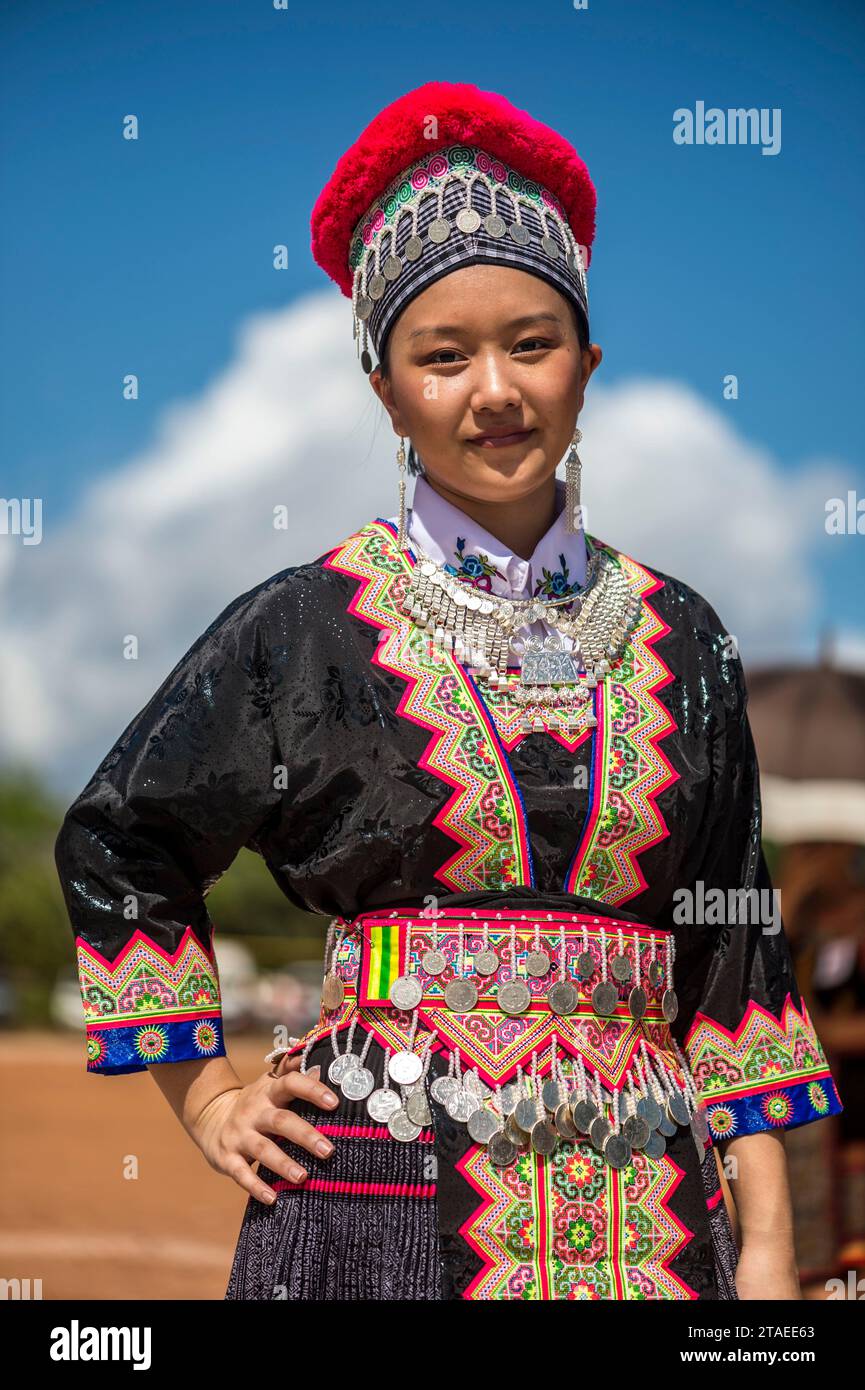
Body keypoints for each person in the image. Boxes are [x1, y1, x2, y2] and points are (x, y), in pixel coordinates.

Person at [54, 80, 843, 1302]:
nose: (494, 390)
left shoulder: (685, 638)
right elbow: (121, 841)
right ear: (384, 386)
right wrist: (208, 1098)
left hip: (661, 1224)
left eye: (531, 343)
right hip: (372, 1195)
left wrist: (777, 1255)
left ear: (588, 362)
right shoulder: (304, 624)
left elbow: (731, 944)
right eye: (442, 354)